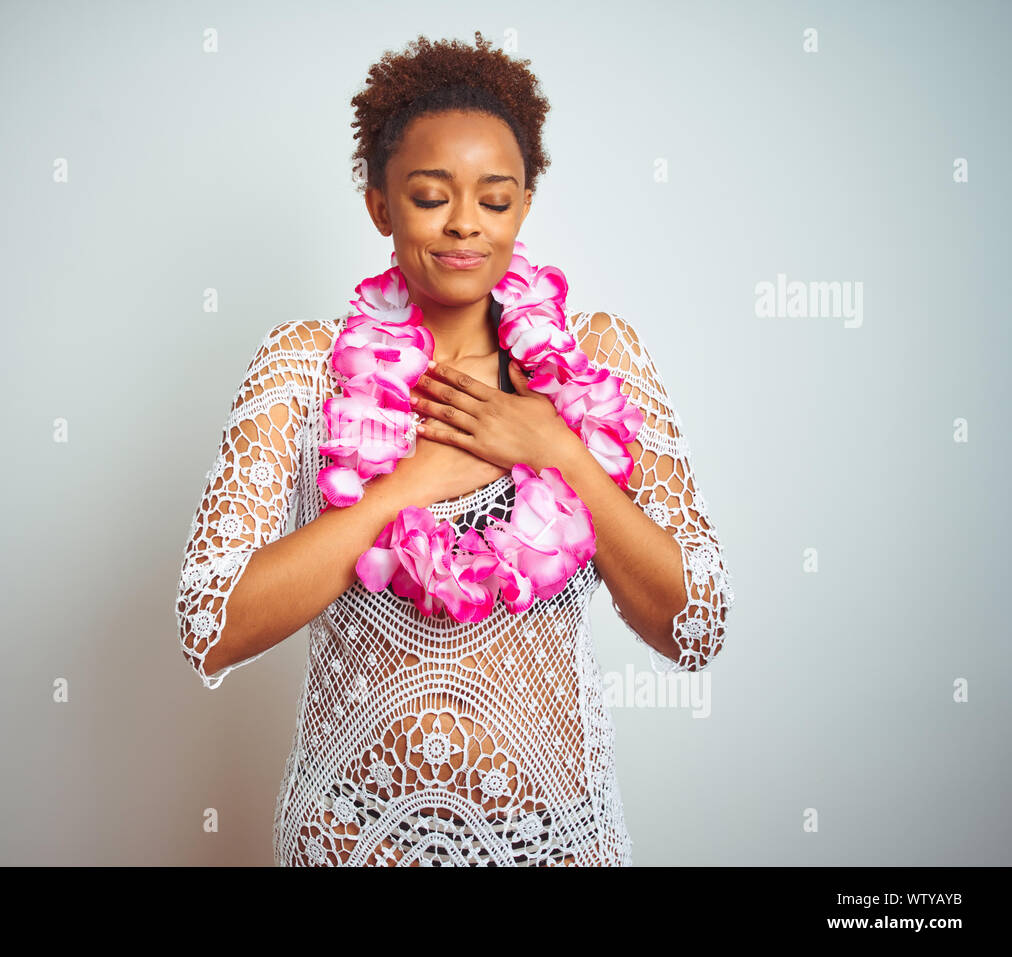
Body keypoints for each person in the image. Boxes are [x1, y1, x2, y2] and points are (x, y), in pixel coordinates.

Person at [175, 32, 735, 866]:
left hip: (555, 836)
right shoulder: (305, 366)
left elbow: (697, 624)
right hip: (353, 835)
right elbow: (209, 624)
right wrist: (405, 487)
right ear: (380, 206)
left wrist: (557, 448)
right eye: (432, 196)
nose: (467, 222)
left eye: (496, 199)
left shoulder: (593, 360)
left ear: (526, 204)